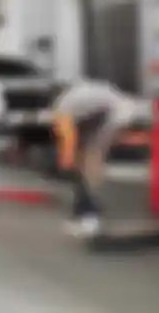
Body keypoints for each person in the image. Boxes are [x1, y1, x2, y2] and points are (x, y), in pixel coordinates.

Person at [52, 81, 152, 237]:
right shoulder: (73, 100)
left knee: (91, 161)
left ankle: (89, 210)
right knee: (89, 162)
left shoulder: (63, 108)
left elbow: (69, 138)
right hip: (112, 112)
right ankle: (85, 206)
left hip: (110, 116)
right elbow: (74, 135)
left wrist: (67, 160)